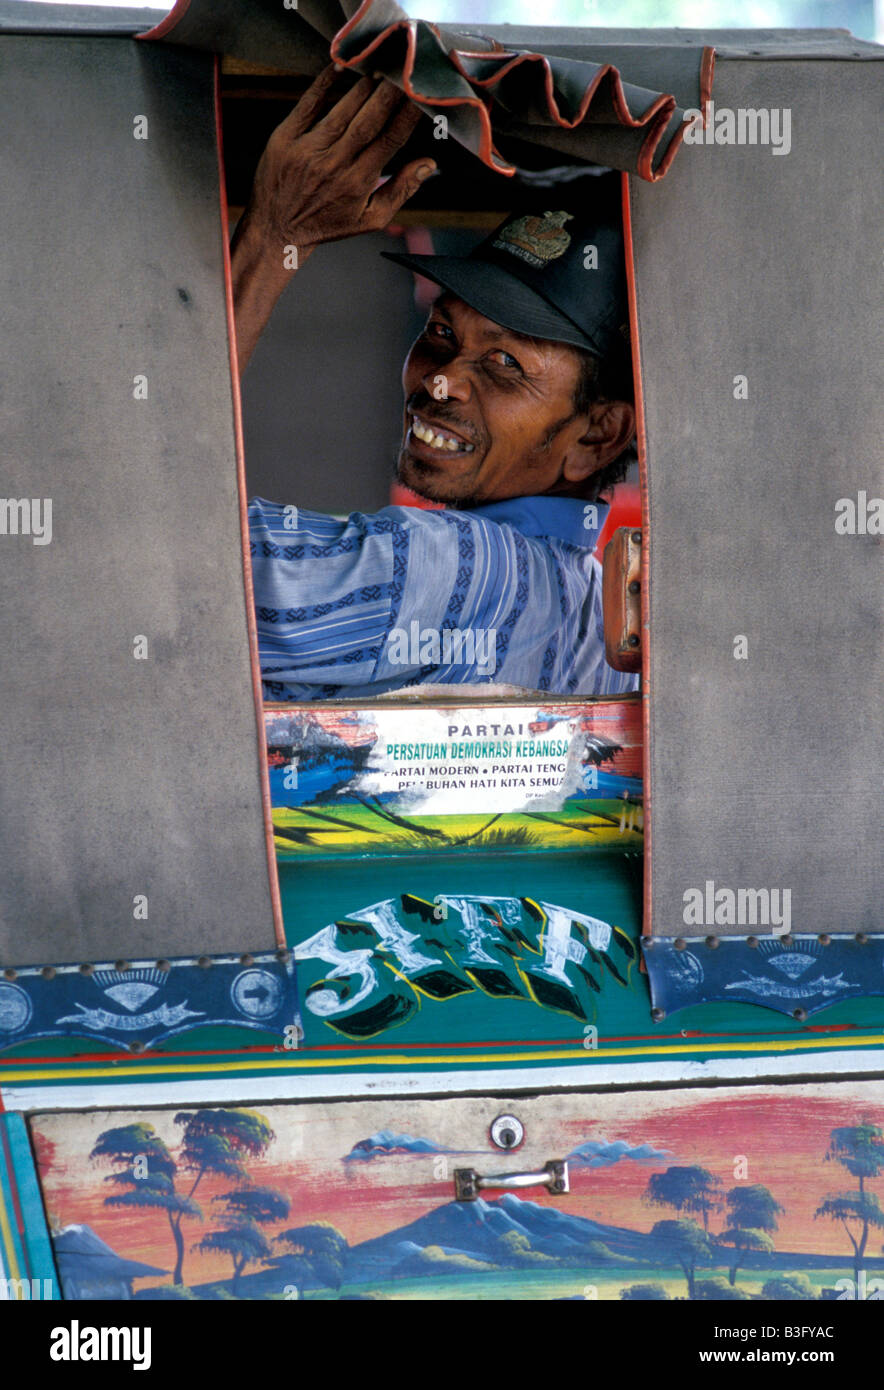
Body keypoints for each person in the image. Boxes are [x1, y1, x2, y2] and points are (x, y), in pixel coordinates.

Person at [233, 66, 639, 700]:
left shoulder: (445, 570)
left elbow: (157, 554)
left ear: (598, 434)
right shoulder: (587, 607)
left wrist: (270, 239)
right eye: (443, 334)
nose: (444, 381)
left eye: (507, 366)